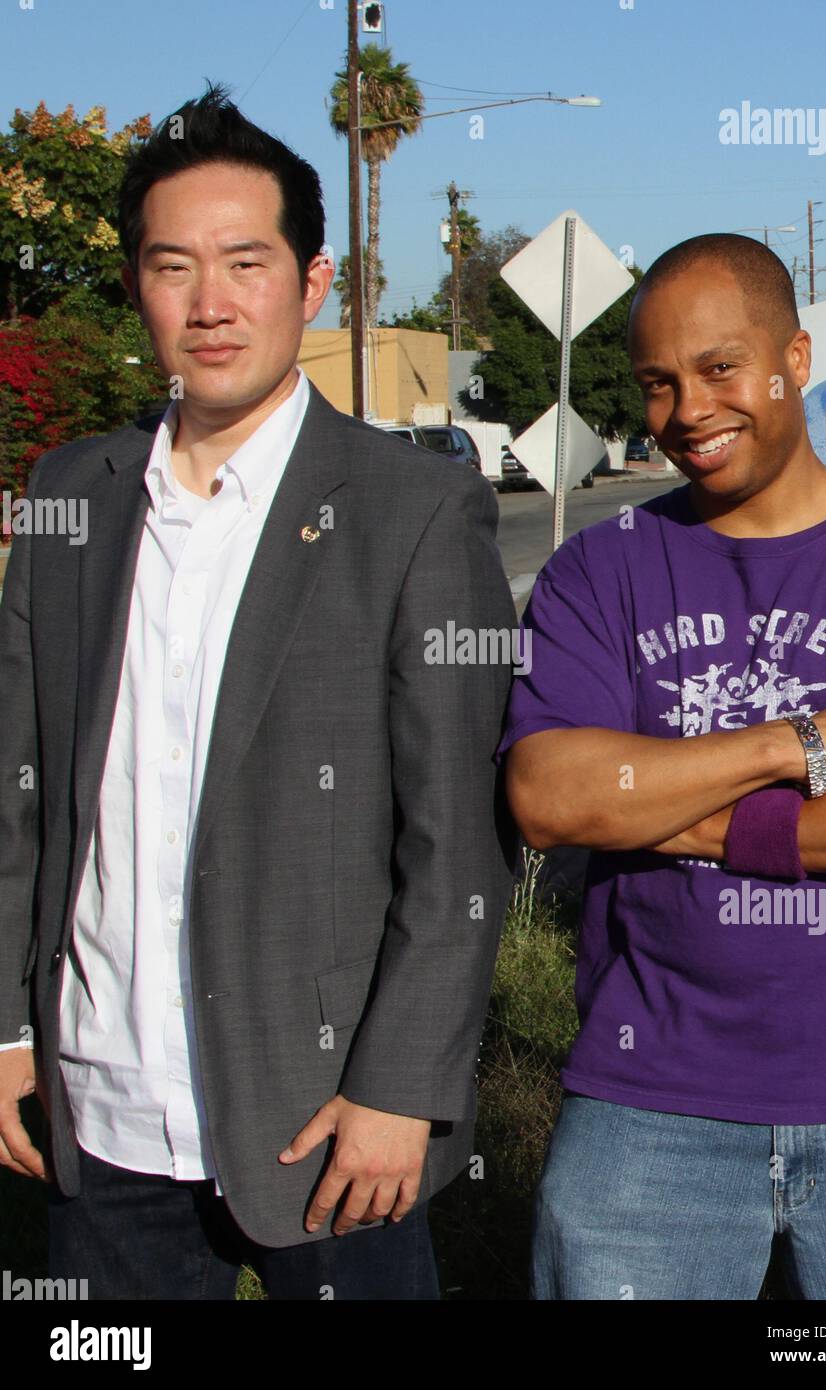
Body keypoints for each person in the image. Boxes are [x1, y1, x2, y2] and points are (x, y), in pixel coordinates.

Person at [0, 83, 516, 1301]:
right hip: (105, 1111)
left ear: (314, 279)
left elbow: (458, 841)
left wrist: (403, 1083)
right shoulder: (70, 496)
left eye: (246, 260)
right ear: (138, 285)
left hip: (332, 1120)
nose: (211, 302)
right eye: (174, 266)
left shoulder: (412, 509)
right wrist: (9, 1031)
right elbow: (15, 797)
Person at [497, 232, 826, 1300]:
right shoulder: (597, 571)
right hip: (648, 1096)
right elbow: (548, 796)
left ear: (794, 358)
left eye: (718, 368)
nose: (688, 411)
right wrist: (788, 745)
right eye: (656, 382)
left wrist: (660, 804)